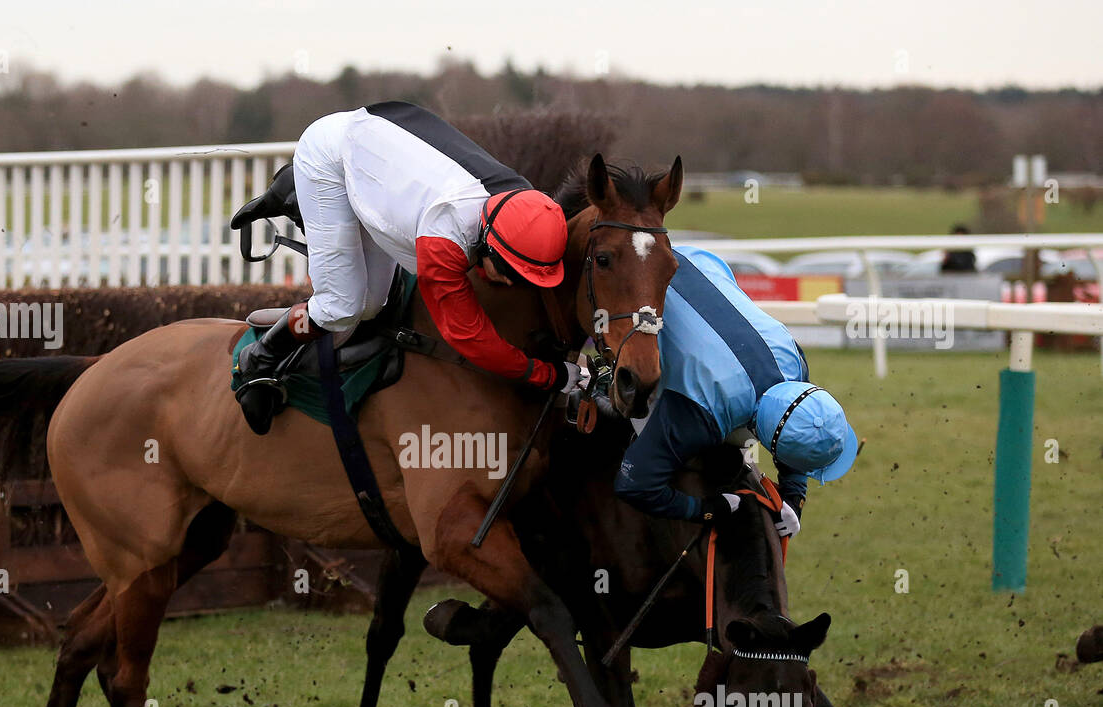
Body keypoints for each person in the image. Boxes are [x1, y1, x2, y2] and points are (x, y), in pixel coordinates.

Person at [234, 100, 584, 434]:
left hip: (377, 147)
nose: (511, 283)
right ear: (490, 244)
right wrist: (546, 374)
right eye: (512, 273)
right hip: (330, 159)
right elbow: (469, 337)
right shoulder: (444, 239)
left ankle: (295, 191)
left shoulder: (524, 202)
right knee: (342, 307)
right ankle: (259, 358)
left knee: (372, 306)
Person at [612, 245, 857, 533]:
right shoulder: (701, 416)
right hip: (619, 278)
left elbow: (792, 415)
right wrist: (708, 510)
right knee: (632, 408)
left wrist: (794, 495)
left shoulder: (795, 361)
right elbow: (634, 485)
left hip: (696, 257)